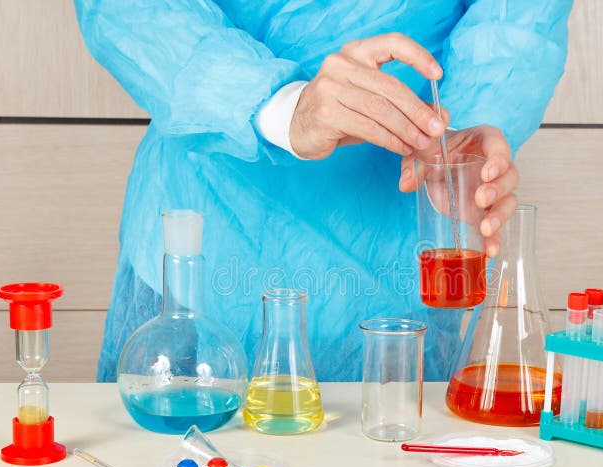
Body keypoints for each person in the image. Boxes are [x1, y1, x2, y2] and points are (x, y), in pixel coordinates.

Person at [75, 0, 572, 381]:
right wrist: (279, 107)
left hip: (393, 257)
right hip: (205, 226)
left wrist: (456, 144)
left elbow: (520, 16)